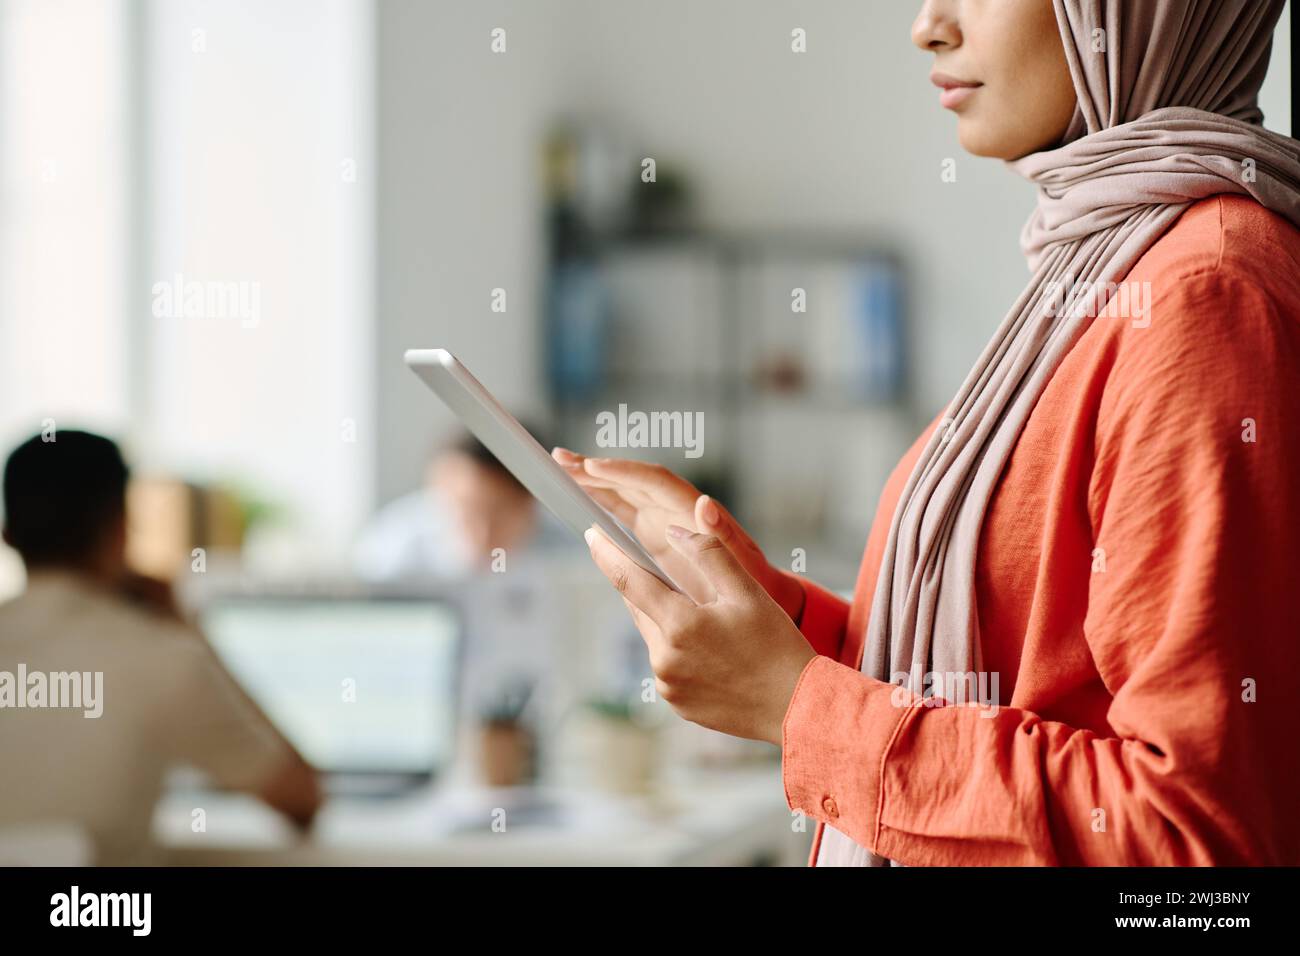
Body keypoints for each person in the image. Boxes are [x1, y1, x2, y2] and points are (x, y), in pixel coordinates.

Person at [555, 0, 1300, 866]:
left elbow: (1192, 849)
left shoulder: (1202, 296)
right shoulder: (1105, 265)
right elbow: (1008, 666)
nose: (928, 25)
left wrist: (798, 706)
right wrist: (772, 621)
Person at [0, 430, 322, 864]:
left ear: (7, 535)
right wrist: (189, 634)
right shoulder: (162, 658)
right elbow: (302, 800)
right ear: (120, 530)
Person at [353, 429, 571, 582]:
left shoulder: (569, 552)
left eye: (499, 516)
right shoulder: (394, 549)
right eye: (467, 513)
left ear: (532, 504)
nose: (483, 534)